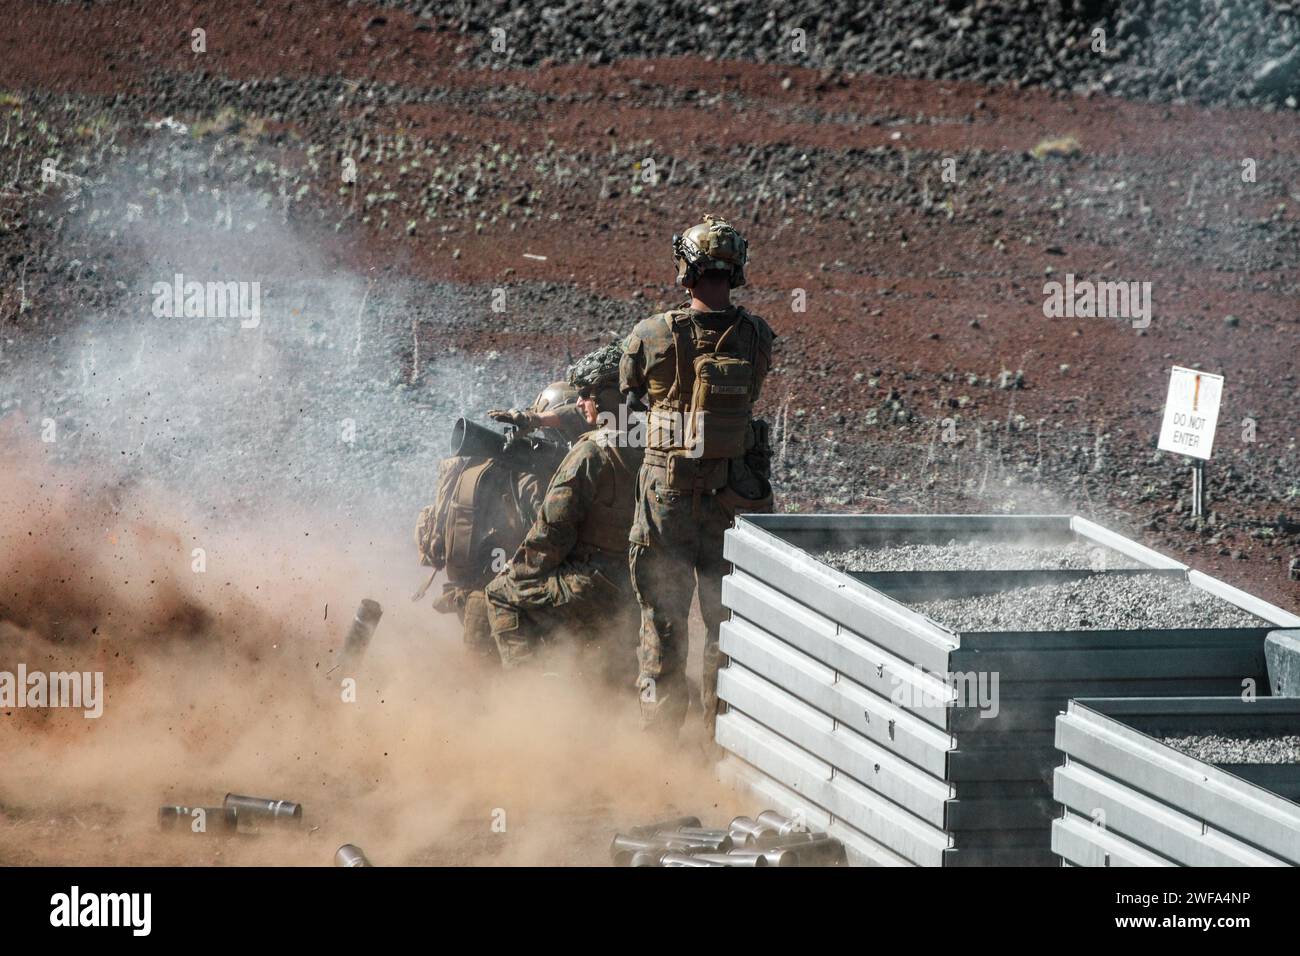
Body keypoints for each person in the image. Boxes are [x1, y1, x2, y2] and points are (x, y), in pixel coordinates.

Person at [619, 214, 776, 735]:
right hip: (731, 500)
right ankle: (721, 742)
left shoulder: (652, 334)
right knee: (724, 627)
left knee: (662, 625)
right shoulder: (757, 335)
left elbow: (629, 399)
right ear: (735, 272)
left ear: (686, 270)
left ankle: (660, 749)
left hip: (667, 498)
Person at [484, 344, 643, 685]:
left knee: (502, 593)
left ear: (608, 397)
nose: (581, 402)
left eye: (587, 394)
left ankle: (532, 700)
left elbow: (552, 531)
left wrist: (519, 570)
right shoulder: (656, 437)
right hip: (641, 582)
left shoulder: (589, 453)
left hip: (597, 583)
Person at [414, 381, 587, 666]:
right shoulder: (537, 481)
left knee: (485, 688)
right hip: (510, 607)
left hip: (472, 599)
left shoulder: (487, 467)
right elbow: (560, 543)